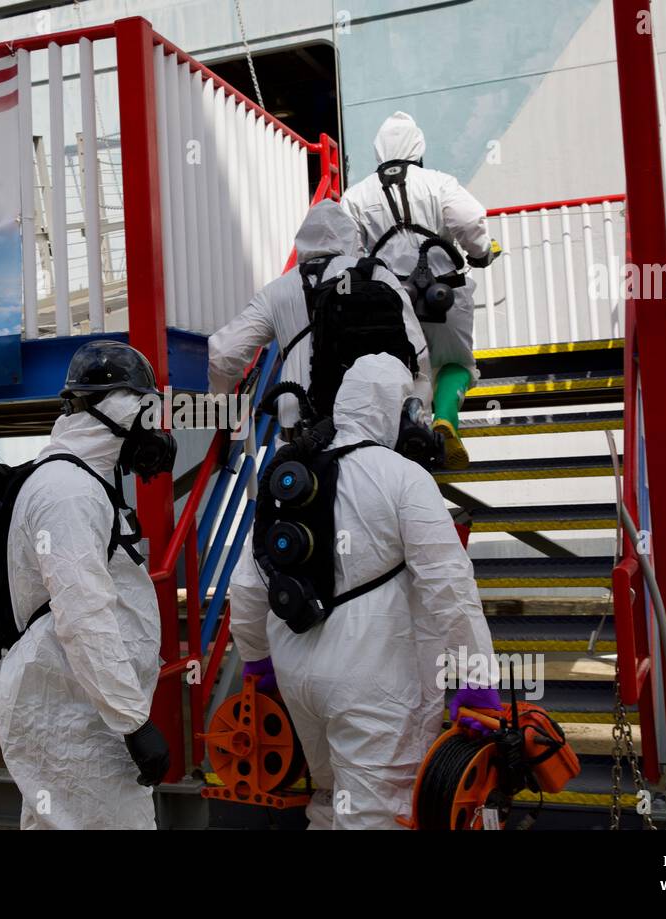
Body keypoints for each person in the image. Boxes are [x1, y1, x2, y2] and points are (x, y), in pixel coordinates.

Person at [228, 352, 497, 830]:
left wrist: (257, 663)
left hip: (297, 674)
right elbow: (449, 586)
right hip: (375, 680)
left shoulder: (291, 476)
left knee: (331, 800)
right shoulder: (403, 477)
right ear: (399, 410)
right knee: (377, 812)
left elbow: (249, 583)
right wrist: (476, 681)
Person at [0, 341, 172, 829]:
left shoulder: (81, 484)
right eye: (144, 411)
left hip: (78, 706)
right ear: (115, 410)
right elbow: (83, 615)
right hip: (75, 715)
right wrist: (133, 722)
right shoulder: (70, 493)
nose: (152, 430)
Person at [341, 112, 499, 469]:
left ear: (380, 151)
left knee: (408, 371)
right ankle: (445, 418)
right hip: (446, 294)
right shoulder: (438, 182)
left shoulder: (356, 195)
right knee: (457, 364)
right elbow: (469, 220)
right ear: (417, 147)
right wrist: (482, 251)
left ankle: (409, 431)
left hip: (391, 302)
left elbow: (345, 248)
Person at [207, 199, 432, 434]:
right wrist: (418, 419)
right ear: (349, 237)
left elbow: (224, 353)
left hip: (301, 440)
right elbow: (417, 353)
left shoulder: (278, 290)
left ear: (303, 240)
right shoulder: (376, 275)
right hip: (373, 430)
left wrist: (221, 405)